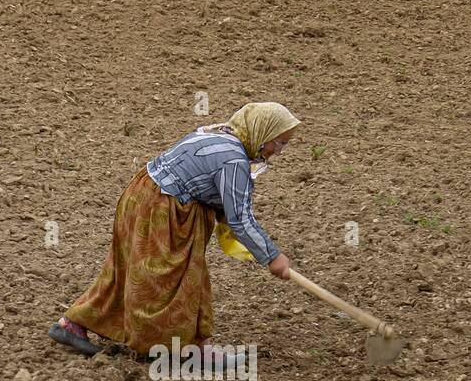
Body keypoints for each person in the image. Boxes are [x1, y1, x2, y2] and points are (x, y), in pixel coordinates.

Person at [48, 101, 299, 358]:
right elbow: (241, 220)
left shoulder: (216, 132)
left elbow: (207, 183)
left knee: (125, 269)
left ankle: (73, 324)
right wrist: (272, 257)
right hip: (164, 210)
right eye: (278, 142)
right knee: (180, 278)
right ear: (263, 132)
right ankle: (189, 349)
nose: (278, 151)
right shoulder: (235, 161)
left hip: (140, 194)